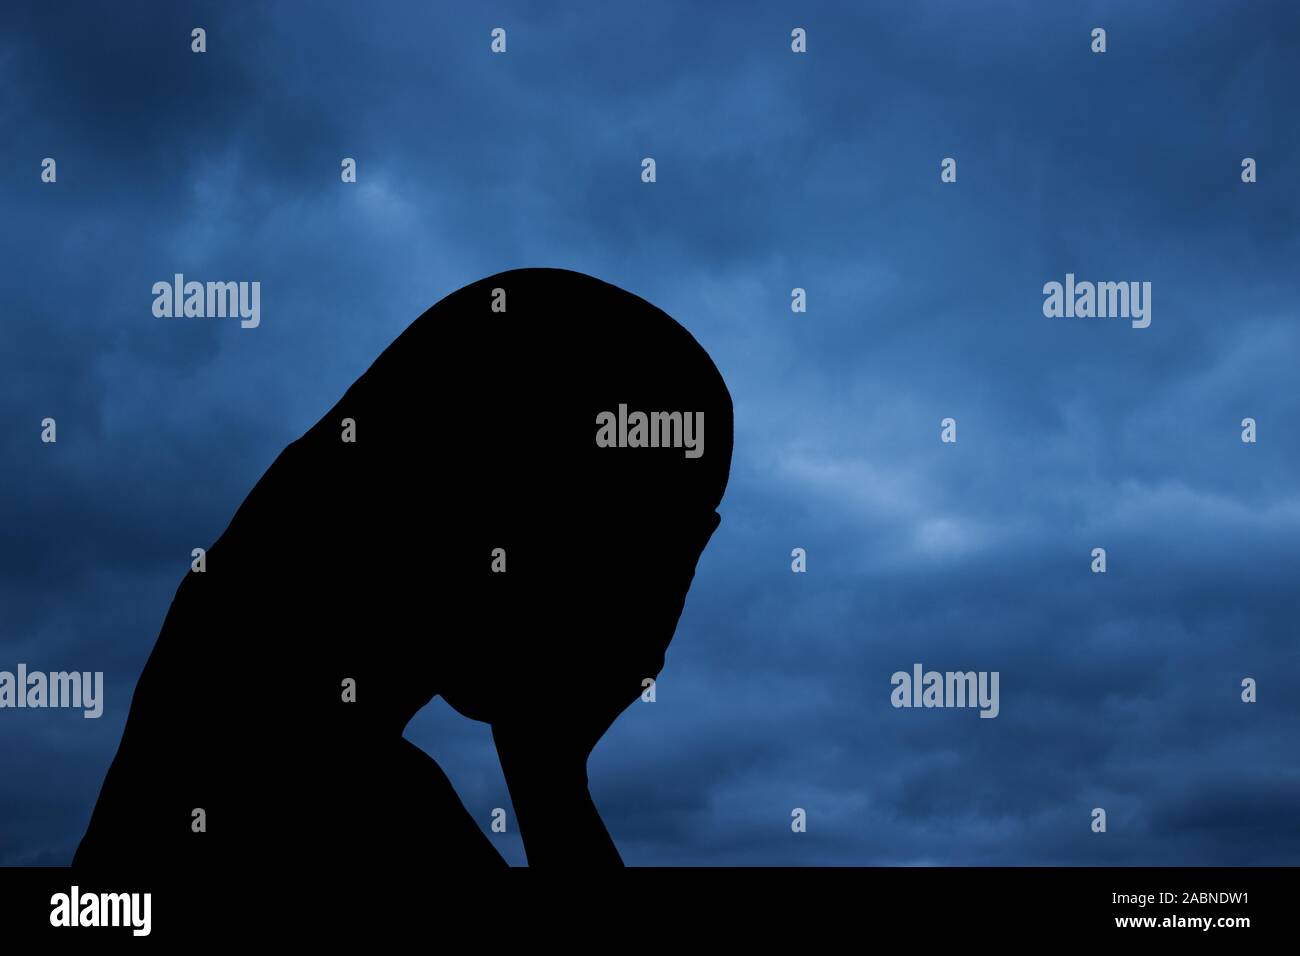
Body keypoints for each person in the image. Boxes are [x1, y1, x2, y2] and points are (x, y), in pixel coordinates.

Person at [73, 268, 734, 872]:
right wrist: (549, 777)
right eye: (643, 555)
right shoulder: (332, 798)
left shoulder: (250, 740)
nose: (653, 630)